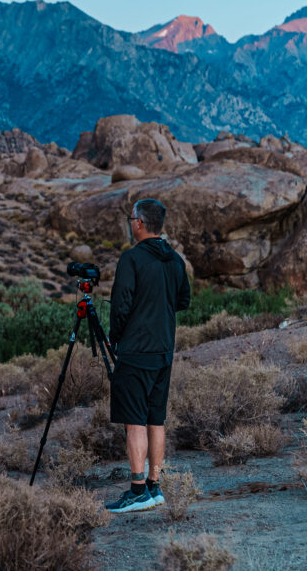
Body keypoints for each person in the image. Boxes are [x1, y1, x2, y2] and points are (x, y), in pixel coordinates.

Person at [105, 199, 190, 514]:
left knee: (134, 421)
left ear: (139, 223)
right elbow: (183, 300)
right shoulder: (175, 259)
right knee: (156, 418)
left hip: (136, 351)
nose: (130, 223)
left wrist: (117, 337)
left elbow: (120, 305)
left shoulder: (132, 259)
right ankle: (155, 487)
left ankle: (138, 490)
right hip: (164, 350)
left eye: (132, 219)